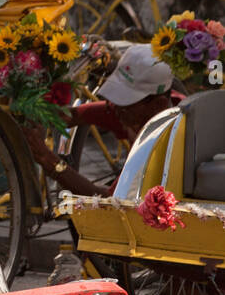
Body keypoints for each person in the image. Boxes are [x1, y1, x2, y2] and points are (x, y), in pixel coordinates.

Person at [24, 44, 178, 196]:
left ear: (158, 104)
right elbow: (81, 114)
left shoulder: (159, 146)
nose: (115, 107)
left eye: (125, 101)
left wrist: (49, 161)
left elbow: (109, 202)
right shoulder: (141, 112)